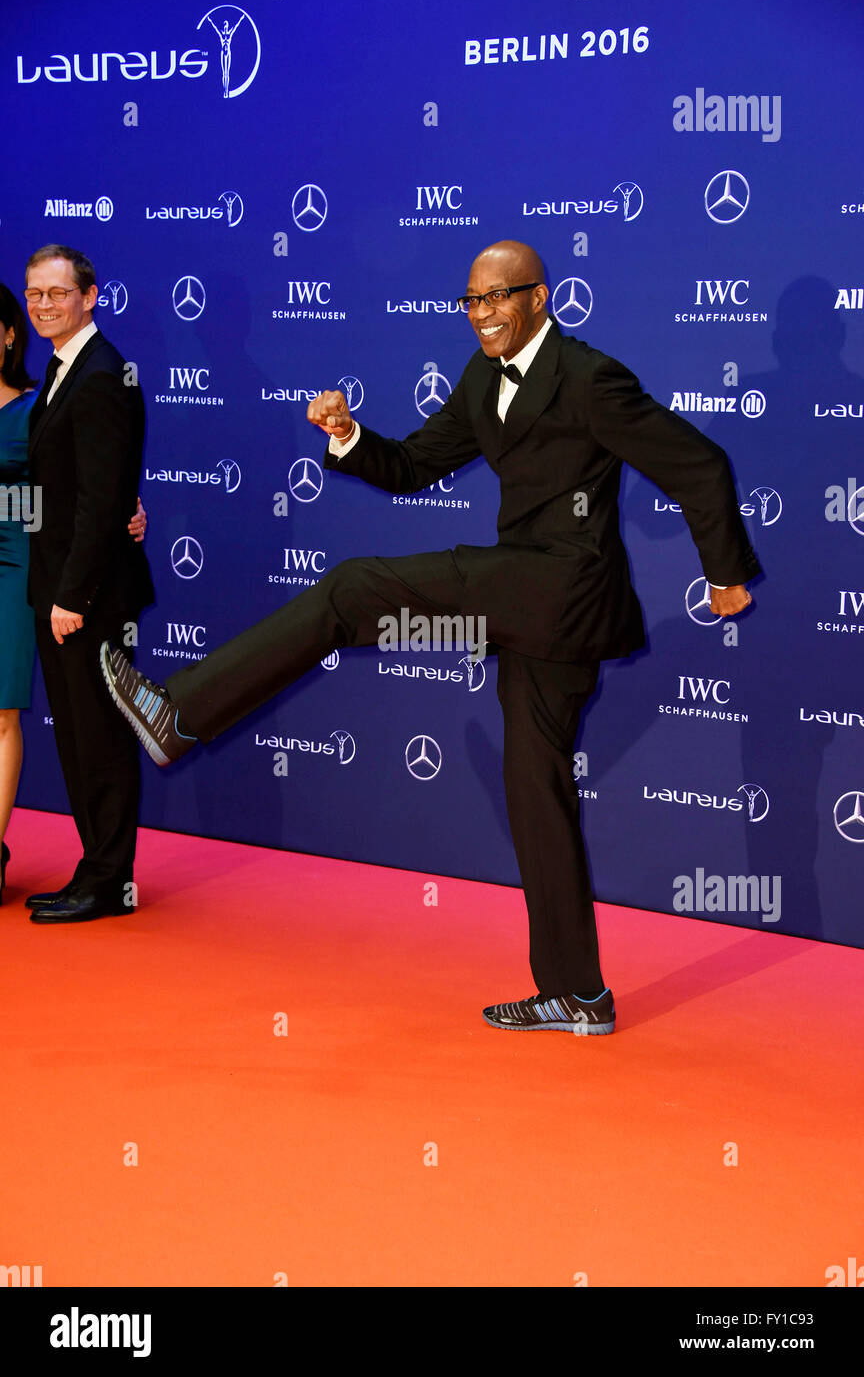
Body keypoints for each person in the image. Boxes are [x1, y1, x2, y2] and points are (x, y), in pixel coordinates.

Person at [101, 240, 758, 1032]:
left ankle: (181, 714)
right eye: (472, 301)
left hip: (562, 589)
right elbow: (414, 466)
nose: (483, 314)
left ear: (539, 298)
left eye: (499, 298)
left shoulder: (590, 377)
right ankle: (577, 993)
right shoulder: (483, 376)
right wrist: (348, 434)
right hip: (529, 602)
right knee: (535, 794)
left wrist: (723, 576)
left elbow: (700, 463)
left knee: (350, 589)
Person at [0, 282, 146, 906]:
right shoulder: (68, 374)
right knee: (79, 733)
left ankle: (108, 880)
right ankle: (99, 875)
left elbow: (92, 485)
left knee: (90, 730)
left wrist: (123, 513)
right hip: (51, 580)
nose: (44, 303)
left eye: (57, 292)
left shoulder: (87, 378)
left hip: (51, 579)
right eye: (36, 292)